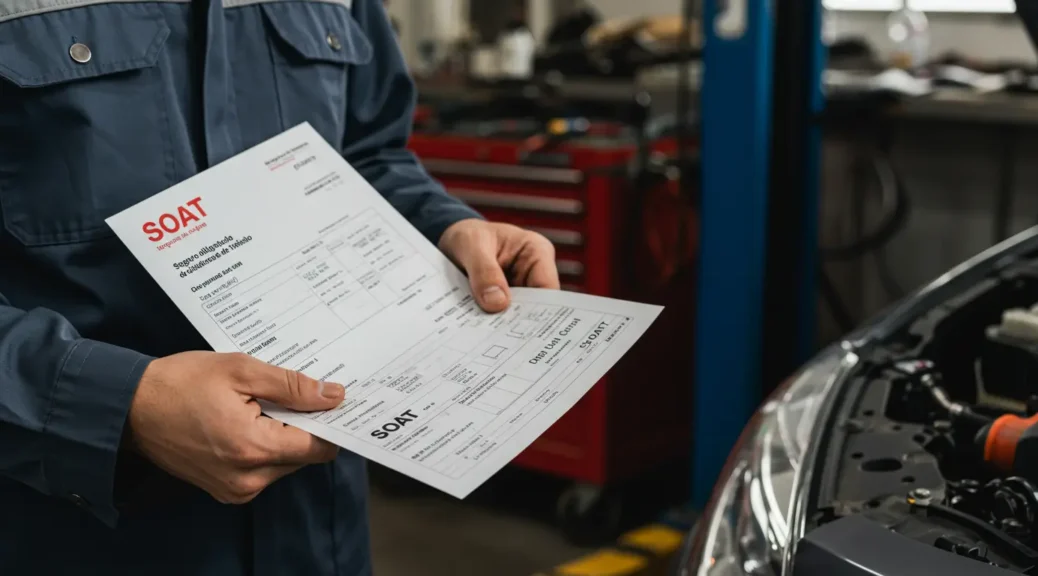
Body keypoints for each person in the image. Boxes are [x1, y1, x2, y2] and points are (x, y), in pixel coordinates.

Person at [0, 0, 560, 574]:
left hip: (321, 530)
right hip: (79, 535)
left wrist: (443, 227)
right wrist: (120, 408)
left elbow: (366, 150)